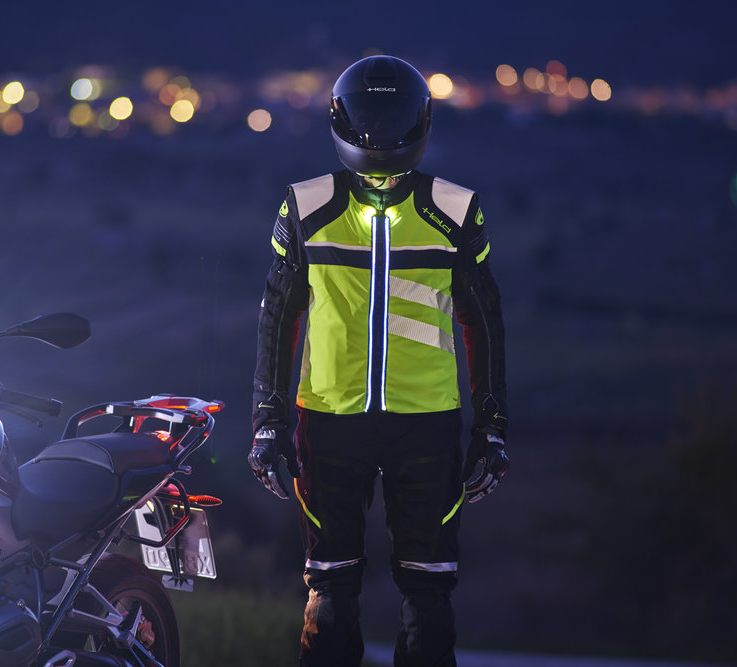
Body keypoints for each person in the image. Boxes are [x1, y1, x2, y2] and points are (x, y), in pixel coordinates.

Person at [249, 54, 510, 667]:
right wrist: (268, 418)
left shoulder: (454, 210)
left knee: (428, 595)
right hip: (331, 423)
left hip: (426, 426)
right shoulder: (306, 207)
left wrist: (493, 426)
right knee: (330, 593)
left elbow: (483, 319)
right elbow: (278, 316)